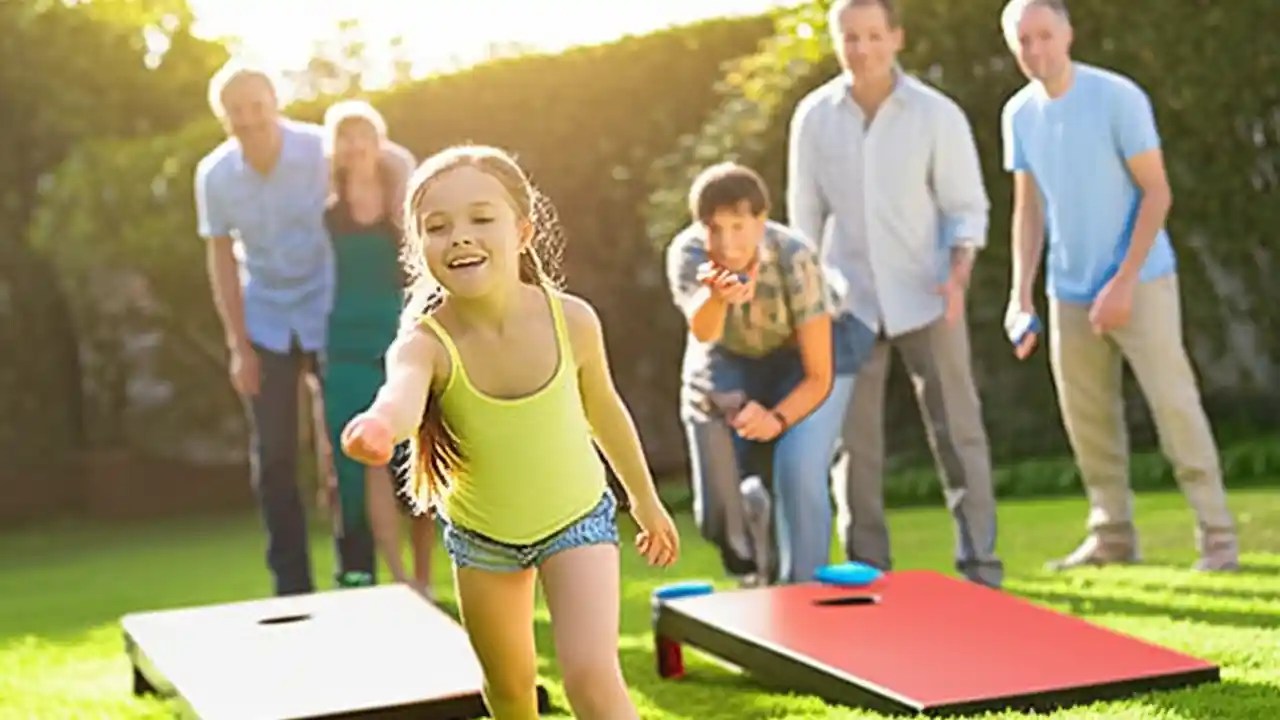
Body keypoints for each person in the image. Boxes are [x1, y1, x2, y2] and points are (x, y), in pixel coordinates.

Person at [340, 145, 680, 719]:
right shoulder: (425, 342)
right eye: (437, 227)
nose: (460, 237)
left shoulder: (572, 320)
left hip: (577, 520)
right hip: (483, 540)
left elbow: (605, 410)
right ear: (419, 250)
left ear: (522, 232)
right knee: (511, 690)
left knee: (591, 676)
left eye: (480, 218)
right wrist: (378, 425)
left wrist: (644, 500)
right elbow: (400, 396)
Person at [998, 0, 1239, 571]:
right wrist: (1020, 295)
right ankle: (1112, 538)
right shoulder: (1018, 114)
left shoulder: (1117, 98)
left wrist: (1123, 282)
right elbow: (1027, 211)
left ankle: (1219, 540)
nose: (1035, 51)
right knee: (1088, 423)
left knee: (1175, 408)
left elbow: (1157, 192)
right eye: (1023, 42)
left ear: (1068, 34)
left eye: (1044, 36)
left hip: (1143, 282)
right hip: (1068, 292)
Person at [787, 0, 1003, 588]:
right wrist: (809, 301)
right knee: (854, 451)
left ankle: (981, 571)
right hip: (845, 304)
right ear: (837, 42)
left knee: (959, 433)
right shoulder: (813, 118)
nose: (861, 49)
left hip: (929, 299)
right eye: (849, 37)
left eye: (873, 36)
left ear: (896, 39)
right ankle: (867, 573)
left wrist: (957, 275)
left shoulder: (936, 115)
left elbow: (966, 208)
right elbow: (803, 217)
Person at [194, 58, 414, 596]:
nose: (249, 119)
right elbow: (222, 258)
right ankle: (291, 585)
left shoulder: (318, 150)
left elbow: (390, 158)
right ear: (223, 117)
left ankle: (356, 570)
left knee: (347, 450)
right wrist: (238, 345)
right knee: (273, 456)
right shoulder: (215, 175)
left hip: (329, 316)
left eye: (257, 107)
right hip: (266, 320)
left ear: (276, 105)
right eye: (236, 111)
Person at [666, 162, 873, 586]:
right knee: (715, 517)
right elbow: (703, 331)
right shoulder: (689, 254)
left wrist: (777, 418)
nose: (726, 242)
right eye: (714, 228)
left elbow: (818, 373)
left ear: (762, 221)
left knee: (798, 469)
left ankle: (804, 592)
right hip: (726, 355)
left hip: (802, 359)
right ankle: (750, 547)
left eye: (739, 226)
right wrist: (720, 297)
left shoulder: (794, 256)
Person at [317, 98, 435, 594]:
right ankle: (401, 578)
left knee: (419, 454)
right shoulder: (326, 214)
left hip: (400, 338)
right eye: (345, 135)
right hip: (344, 345)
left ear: (378, 141)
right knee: (370, 461)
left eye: (364, 133)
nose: (355, 144)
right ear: (336, 148)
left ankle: (427, 578)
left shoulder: (400, 206)